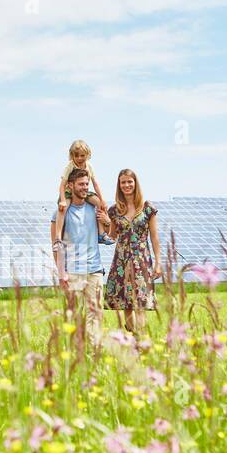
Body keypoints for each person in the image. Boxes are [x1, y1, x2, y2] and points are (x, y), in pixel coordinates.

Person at [53, 167, 110, 348]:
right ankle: (75, 355)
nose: (85, 187)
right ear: (70, 185)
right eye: (81, 184)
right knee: (73, 316)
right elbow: (56, 245)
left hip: (94, 271)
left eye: (87, 184)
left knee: (96, 314)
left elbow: (106, 234)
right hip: (73, 273)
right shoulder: (62, 212)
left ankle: (94, 354)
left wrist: (107, 223)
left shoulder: (94, 208)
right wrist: (61, 273)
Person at [104, 168, 161, 333]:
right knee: (126, 302)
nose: (127, 185)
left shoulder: (147, 208)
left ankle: (141, 338)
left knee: (140, 302)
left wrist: (158, 263)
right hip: (121, 260)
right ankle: (131, 336)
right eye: (123, 182)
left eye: (130, 181)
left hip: (141, 259)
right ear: (119, 185)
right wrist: (106, 222)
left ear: (135, 183)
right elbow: (112, 236)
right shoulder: (114, 210)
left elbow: (155, 237)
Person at [56, 140, 107, 216]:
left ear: (87, 155)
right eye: (76, 156)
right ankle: (59, 228)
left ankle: (103, 226)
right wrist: (63, 200)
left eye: (82, 155)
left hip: (83, 192)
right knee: (63, 208)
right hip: (69, 193)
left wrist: (102, 199)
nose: (79, 158)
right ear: (72, 156)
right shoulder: (69, 167)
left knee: (100, 203)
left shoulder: (89, 167)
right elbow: (62, 185)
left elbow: (95, 184)